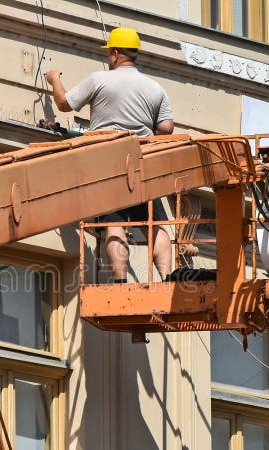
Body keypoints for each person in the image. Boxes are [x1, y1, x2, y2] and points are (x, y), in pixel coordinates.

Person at [45, 27, 174, 283]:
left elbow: (64, 104)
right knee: (155, 224)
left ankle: (120, 281)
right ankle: (168, 278)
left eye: (109, 54)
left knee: (114, 221)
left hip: (108, 164)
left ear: (115, 54)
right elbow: (166, 128)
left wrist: (54, 79)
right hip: (142, 162)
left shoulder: (99, 80)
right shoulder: (155, 88)